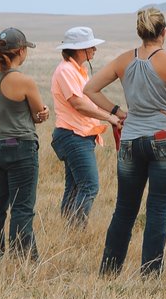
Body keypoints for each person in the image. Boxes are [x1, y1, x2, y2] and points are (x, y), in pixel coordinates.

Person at [83, 6, 166, 277]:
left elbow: (89, 89)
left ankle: (109, 271)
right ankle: (150, 275)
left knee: (124, 209)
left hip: (130, 141)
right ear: (164, 32)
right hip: (165, 138)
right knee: (157, 210)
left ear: (140, 32)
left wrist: (117, 112)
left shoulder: (123, 60)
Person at [0, 27, 49, 258]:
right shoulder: (24, 81)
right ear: (20, 51)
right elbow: (38, 115)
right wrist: (44, 114)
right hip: (20, 147)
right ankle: (23, 258)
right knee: (22, 207)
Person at [49, 26, 122, 228]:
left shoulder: (77, 71)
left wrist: (117, 113)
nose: (94, 50)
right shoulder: (66, 71)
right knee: (89, 185)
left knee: (74, 186)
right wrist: (110, 118)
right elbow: (79, 104)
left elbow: (91, 101)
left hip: (79, 135)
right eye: (91, 46)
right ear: (79, 50)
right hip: (74, 135)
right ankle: (76, 230)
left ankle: (67, 231)